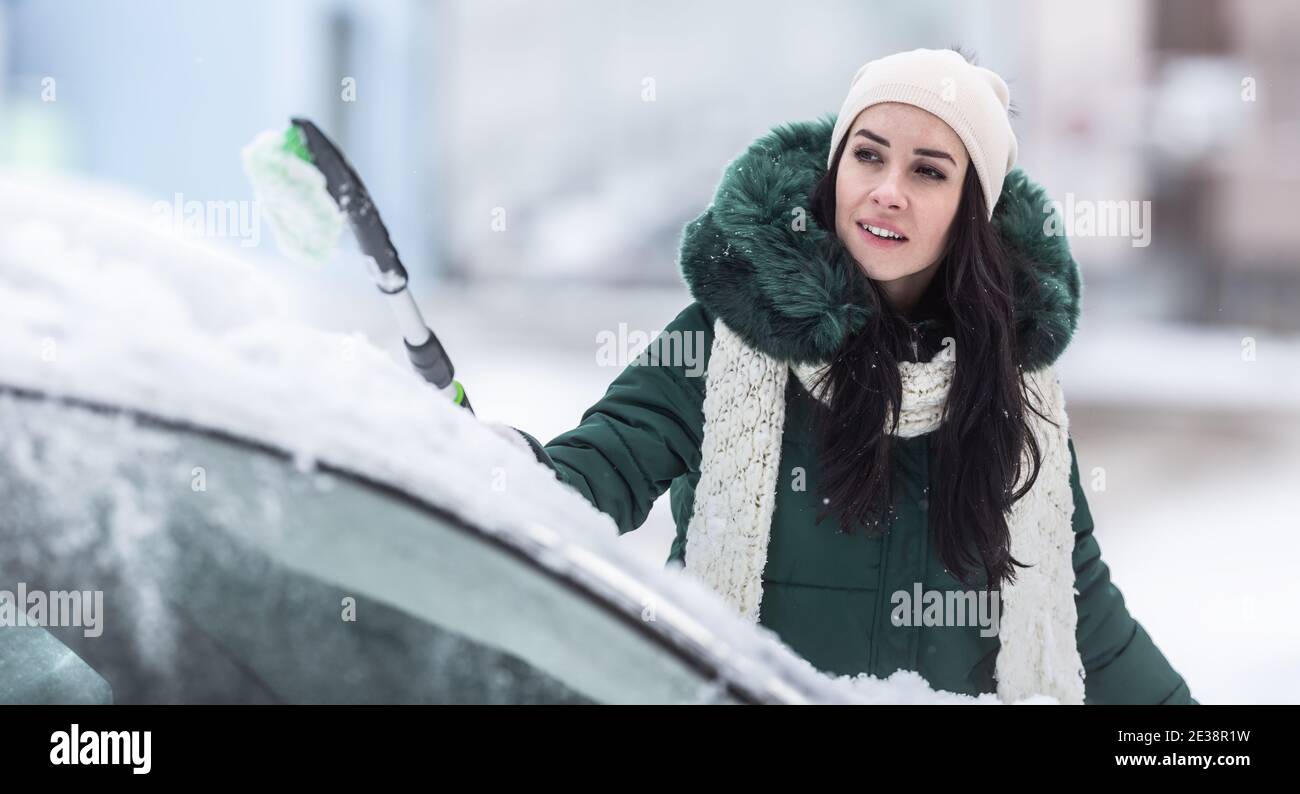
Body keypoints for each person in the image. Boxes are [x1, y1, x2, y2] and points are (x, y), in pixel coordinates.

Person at [501, 48, 1196, 705]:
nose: (887, 191)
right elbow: (600, 468)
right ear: (837, 173)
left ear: (968, 211)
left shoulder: (1016, 394)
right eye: (868, 156)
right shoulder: (730, 339)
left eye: (928, 171)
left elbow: (1082, 618)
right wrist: (489, 471)